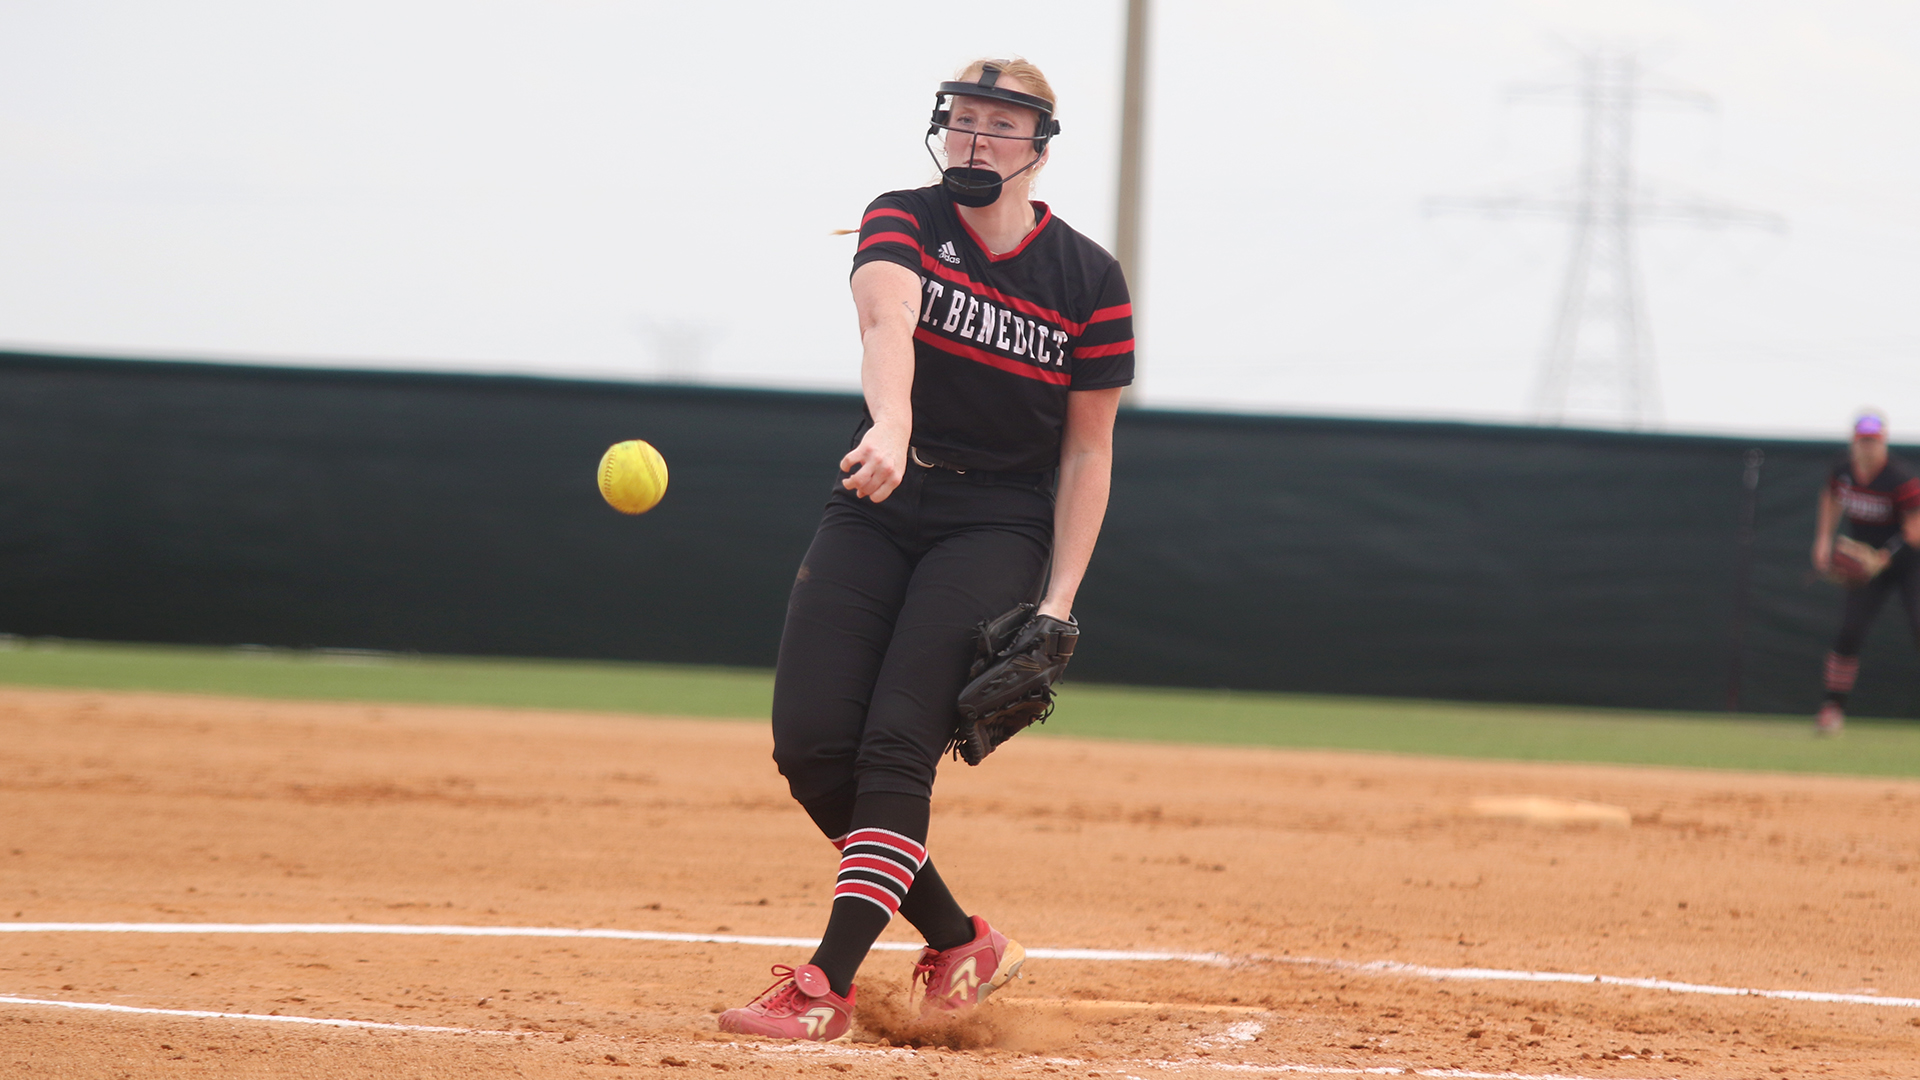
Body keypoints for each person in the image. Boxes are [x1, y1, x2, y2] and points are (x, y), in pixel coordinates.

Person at [716, 57, 1133, 1041]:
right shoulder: (903, 215)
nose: (977, 140)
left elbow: (1088, 453)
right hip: (882, 490)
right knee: (814, 748)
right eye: (964, 120)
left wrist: (1058, 602)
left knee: (897, 742)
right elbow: (886, 319)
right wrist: (892, 424)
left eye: (1001, 124)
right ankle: (958, 939)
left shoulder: (1088, 280)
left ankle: (826, 986)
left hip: (998, 522)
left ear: (1040, 145)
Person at [1810, 412, 1920, 734]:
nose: (1868, 446)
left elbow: (1915, 530)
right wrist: (1822, 540)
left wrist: (1886, 555)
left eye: (1874, 440)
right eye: (1863, 440)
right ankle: (1832, 709)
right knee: (1850, 632)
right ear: (1854, 441)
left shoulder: (1900, 477)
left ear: (1883, 441)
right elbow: (1830, 497)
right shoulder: (1843, 471)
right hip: (1866, 568)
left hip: (1908, 562)